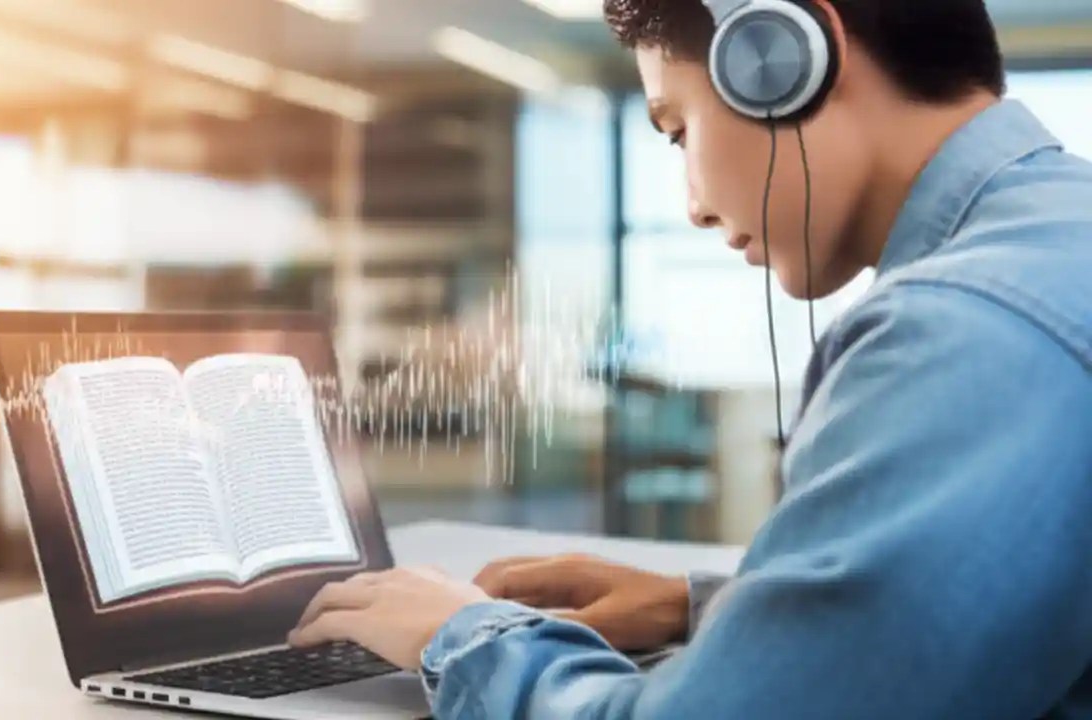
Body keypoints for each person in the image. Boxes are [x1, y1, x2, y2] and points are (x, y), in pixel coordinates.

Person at [288, 0, 1092, 716]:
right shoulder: (1056, 237)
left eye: (676, 129)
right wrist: (714, 608)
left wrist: (461, 637)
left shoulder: (959, 332)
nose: (695, 207)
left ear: (782, 58)